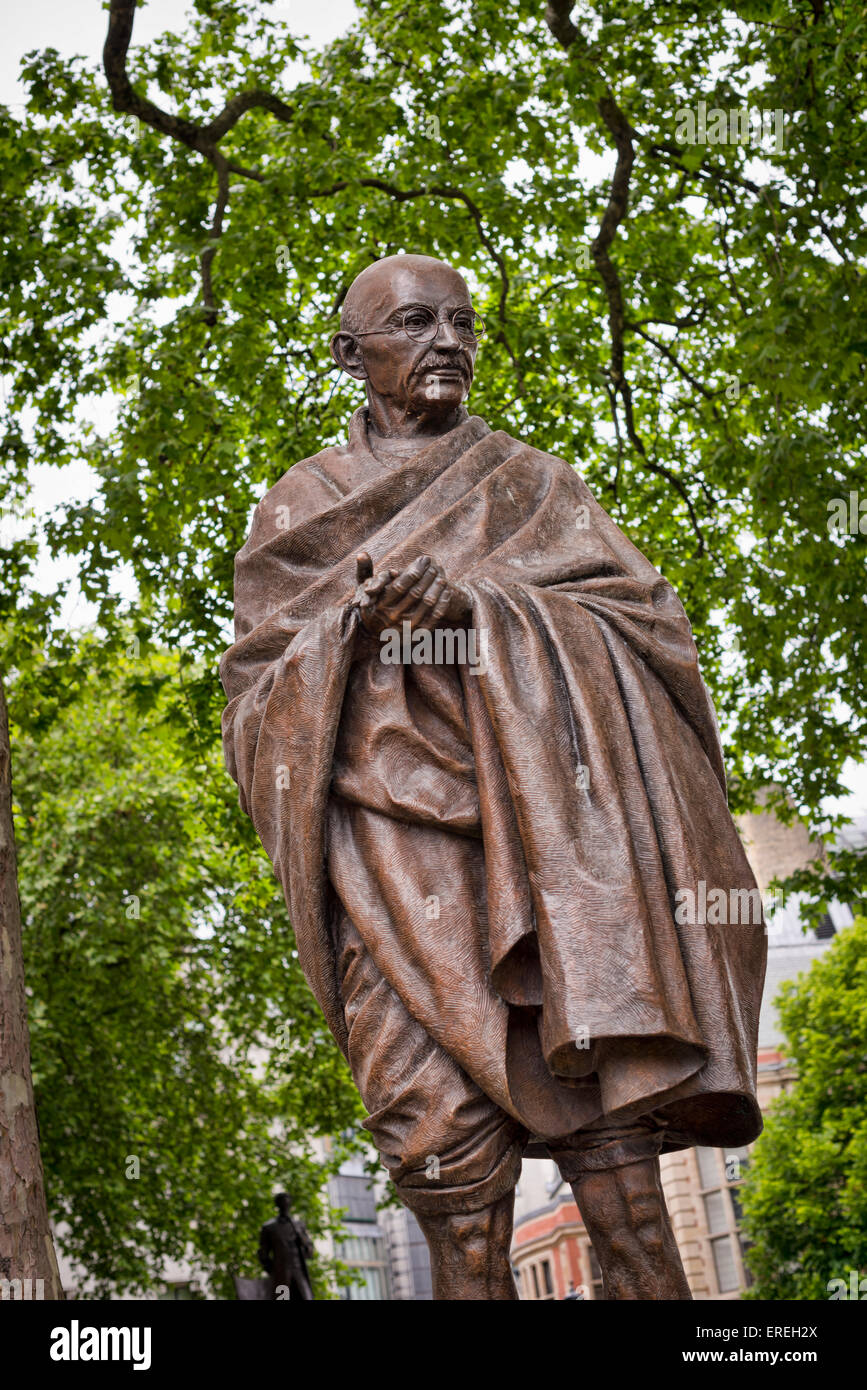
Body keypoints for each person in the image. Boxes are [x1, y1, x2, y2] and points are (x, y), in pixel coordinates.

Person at [221, 254, 766, 1300]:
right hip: (391, 879)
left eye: (464, 324)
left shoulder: (534, 483)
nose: (448, 343)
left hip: (560, 874)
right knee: (457, 1219)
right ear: (349, 353)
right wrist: (355, 626)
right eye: (416, 322)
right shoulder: (298, 510)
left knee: (632, 1211)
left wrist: (481, 606)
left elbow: (651, 630)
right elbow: (255, 705)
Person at [257, 1191, 314, 1301]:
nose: (285, 1204)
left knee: (306, 1297)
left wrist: (303, 1240)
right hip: (281, 1272)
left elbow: (310, 1252)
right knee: (282, 1298)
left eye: (287, 1201)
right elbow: (263, 1253)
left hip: (299, 1271)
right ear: (278, 1205)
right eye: (282, 1202)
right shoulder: (269, 1227)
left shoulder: (299, 1225)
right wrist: (273, 1270)